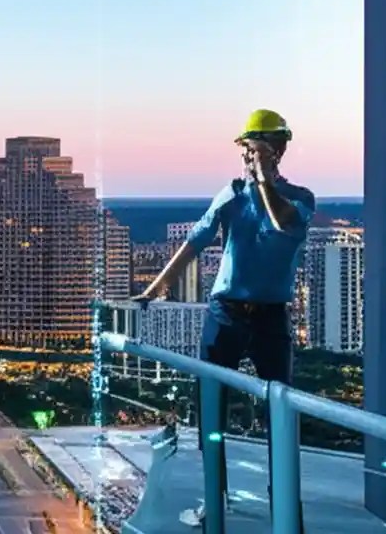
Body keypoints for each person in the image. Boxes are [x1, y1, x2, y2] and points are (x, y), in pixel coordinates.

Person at [131, 108, 314, 527]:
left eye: (259, 149)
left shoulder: (300, 200)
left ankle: (285, 506)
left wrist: (265, 179)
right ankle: (215, 500)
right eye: (248, 150)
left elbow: (281, 223)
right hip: (225, 313)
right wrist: (155, 287)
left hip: (271, 318)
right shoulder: (230, 194)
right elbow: (195, 241)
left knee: (279, 413)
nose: (250, 158)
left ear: (280, 149)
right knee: (211, 411)